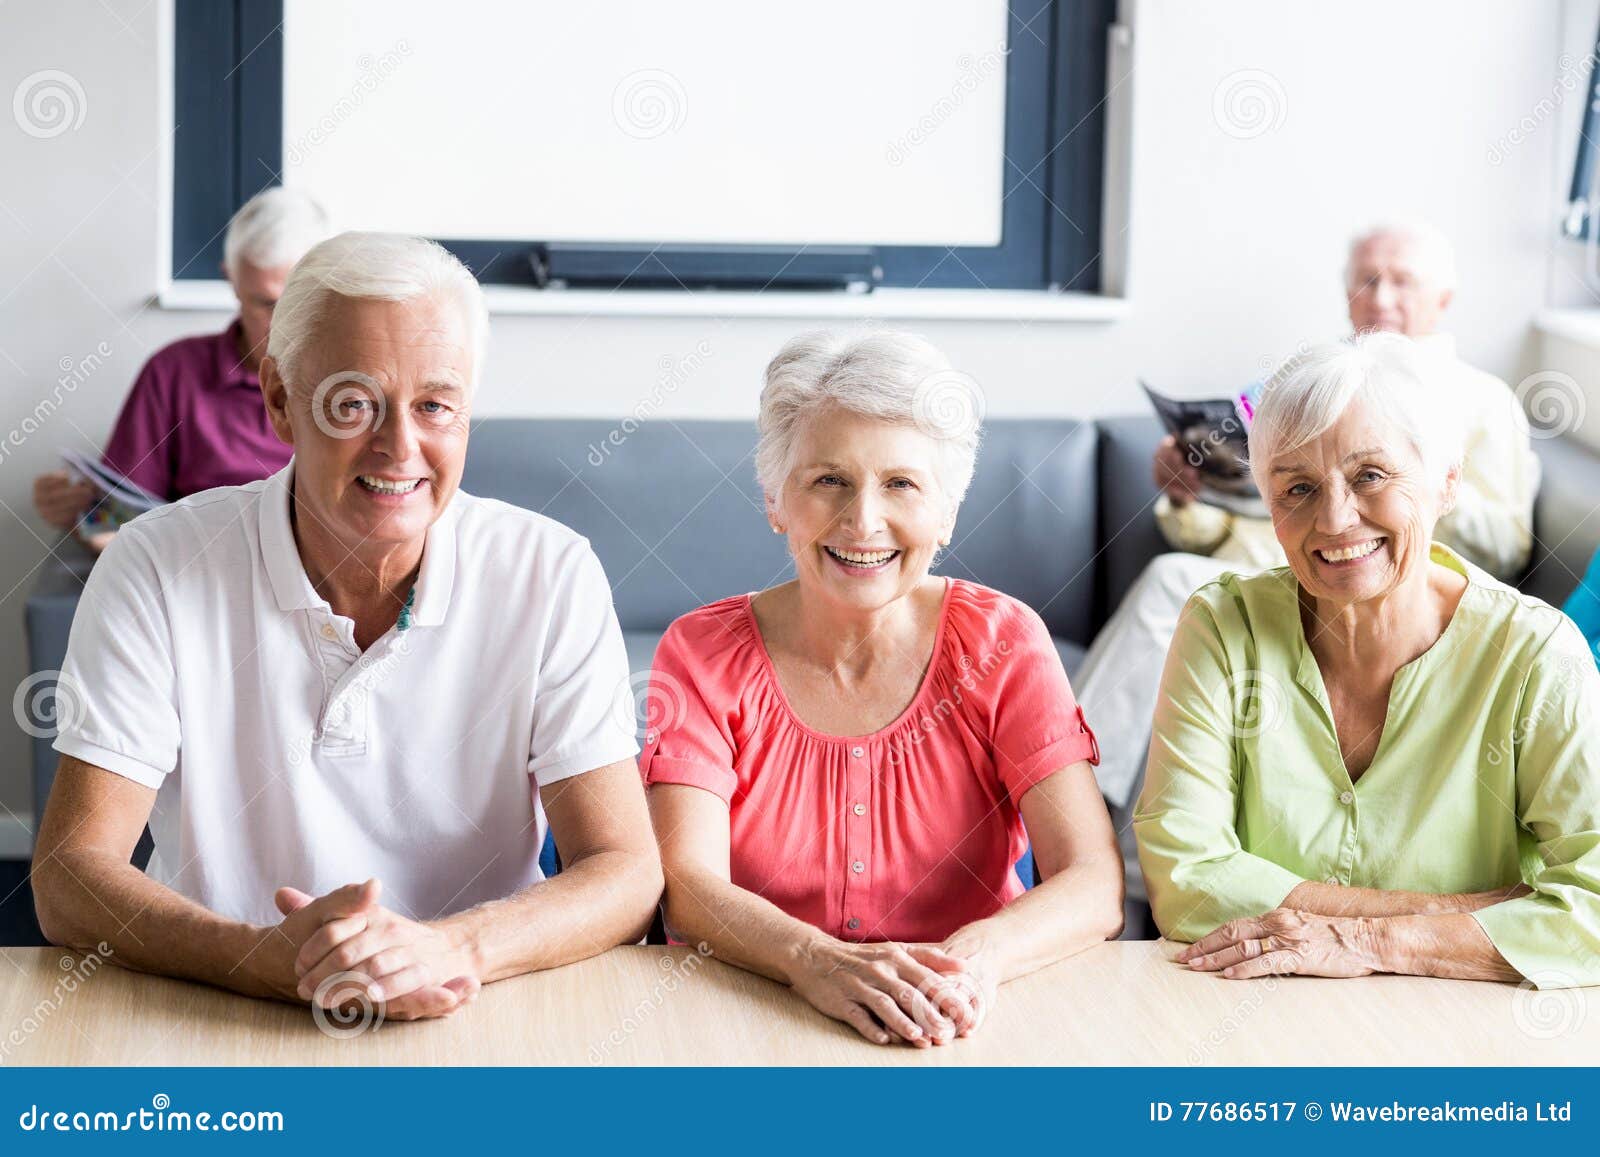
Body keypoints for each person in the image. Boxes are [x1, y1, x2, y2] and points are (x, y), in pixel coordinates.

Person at [32, 233, 663, 1020]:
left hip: (479, 1003)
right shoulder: (156, 564)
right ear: (278, 400)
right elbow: (69, 875)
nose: (400, 447)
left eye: (435, 405)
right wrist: (258, 957)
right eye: (353, 402)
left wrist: (450, 948)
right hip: (213, 1002)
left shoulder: (551, 571)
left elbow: (627, 872)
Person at [640, 329, 1124, 1047]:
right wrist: (814, 961)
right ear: (776, 499)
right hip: (743, 1020)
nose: (862, 519)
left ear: (947, 510)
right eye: (827, 479)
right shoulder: (700, 652)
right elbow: (686, 886)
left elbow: (1092, 880)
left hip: (961, 1025)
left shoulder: (1005, 641)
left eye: (900, 483)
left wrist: (969, 964)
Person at [1076, 222, 1540, 911]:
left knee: (1178, 583)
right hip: (1262, 574)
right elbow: (1224, 525)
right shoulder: (1300, 393)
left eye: (1400, 278)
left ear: (1443, 297)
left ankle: (1073, 815)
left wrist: (1406, 482)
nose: (1379, 293)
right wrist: (1187, 494)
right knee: (1183, 576)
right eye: (1364, 278)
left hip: (1393, 571)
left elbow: (1507, 539)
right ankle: (1079, 824)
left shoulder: (1480, 400)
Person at [1135, 334, 1600, 986]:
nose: (1334, 518)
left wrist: (1373, 940)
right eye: (1297, 486)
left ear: (1445, 484)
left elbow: (1593, 912)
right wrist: (1482, 912)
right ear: (1268, 505)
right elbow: (1185, 879)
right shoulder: (1221, 625)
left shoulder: (1536, 655)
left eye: (1370, 476)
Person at [32, 187, 332, 551]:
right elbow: (113, 521)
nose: (283, 322)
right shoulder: (173, 374)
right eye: (266, 303)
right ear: (231, 282)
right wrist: (77, 513)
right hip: (197, 580)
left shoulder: (353, 381)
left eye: (297, 301)